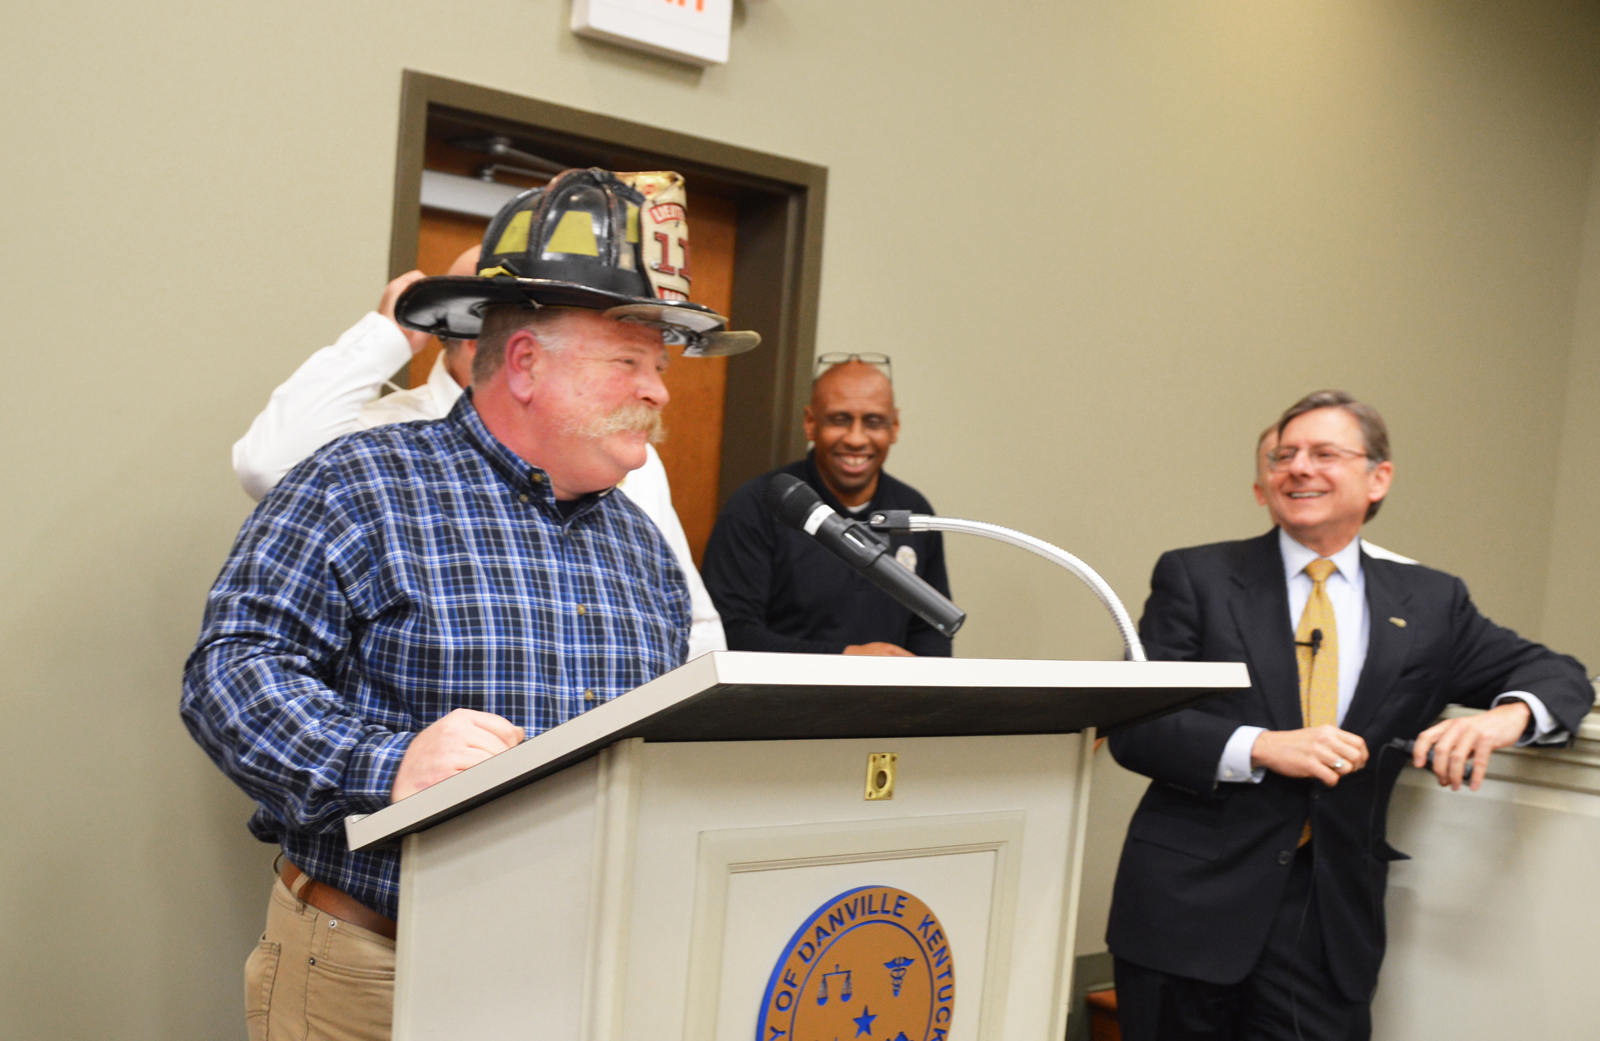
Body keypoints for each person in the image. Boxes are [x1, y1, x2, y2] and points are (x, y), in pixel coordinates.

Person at [182, 169, 760, 1041]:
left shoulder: (642, 548)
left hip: (579, 979)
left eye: (660, 365)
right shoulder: (362, 482)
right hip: (375, 974)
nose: (659, 390)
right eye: (630, 362)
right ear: (525, 363)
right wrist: (386, 766)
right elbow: (229, 672)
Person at [1107, 390, 1591, 1041]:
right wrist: (1260, 745)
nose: (1299, 467)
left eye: (1324, 453)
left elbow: (1559, 673)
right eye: (1285, 455)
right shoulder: (1197, 577)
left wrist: (1503, 718)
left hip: (1330, 922)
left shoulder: (1431, 601)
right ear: (1263, 485)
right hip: (1189, 906)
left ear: (1378, 477)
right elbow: (1137, 725)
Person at [233, 243, 726, 661]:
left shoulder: (621, 448)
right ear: (499, 343)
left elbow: (693, 624)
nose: (655, 392)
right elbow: (267, 466)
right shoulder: (379, 442)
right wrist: (388, 337)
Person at [700, 353, 951, 656]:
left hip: (889, 702)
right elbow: (731, 634)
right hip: (779, 700)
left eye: (873, 422)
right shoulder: (759, 504)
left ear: (894, 426)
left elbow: (933, 630)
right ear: (810, 423)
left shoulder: (912, 510)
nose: (856, 439)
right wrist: (845, 658)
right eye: (839, 420)